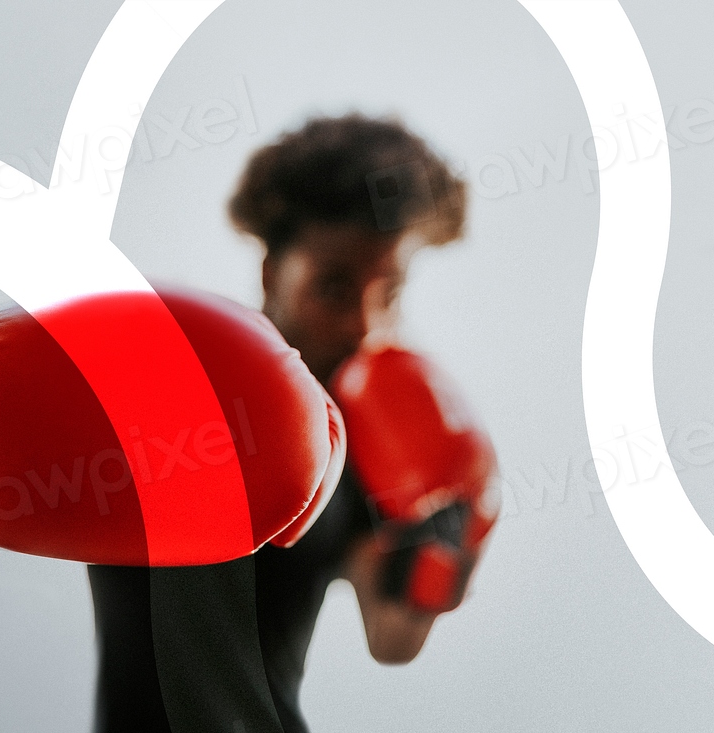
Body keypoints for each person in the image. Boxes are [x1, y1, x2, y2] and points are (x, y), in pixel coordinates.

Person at [87, 113, 485, 733]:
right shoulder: (174, 386)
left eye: (389, 294)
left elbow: (392, 638)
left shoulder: (358, 440)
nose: (362, 324)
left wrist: (444, 543)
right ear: (274, 271)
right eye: (332, 288)